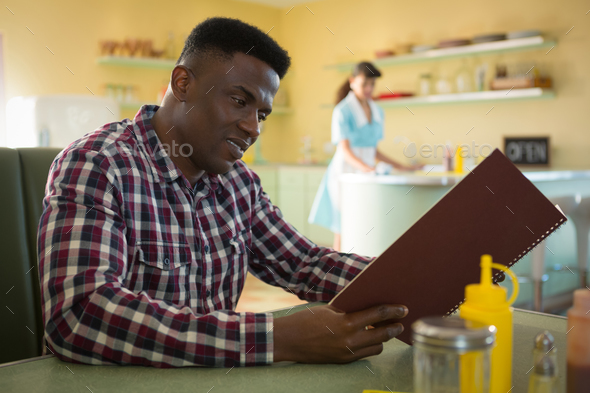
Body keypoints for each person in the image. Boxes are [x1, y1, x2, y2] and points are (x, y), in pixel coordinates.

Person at [37, 17, 408, 368]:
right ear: (182, 83)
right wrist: (274, 339)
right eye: (239, 100)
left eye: (262, 114)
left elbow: (304, 264)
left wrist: (406, 280)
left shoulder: (239, 183)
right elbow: (80, 316)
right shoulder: (99, 165)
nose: (253, 128)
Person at [308, 62, 422, 251]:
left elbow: (374, 151)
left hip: (368, 173)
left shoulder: (378, 111)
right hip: (345, 172)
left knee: (366, 223)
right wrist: (369, 169)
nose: (369, 89)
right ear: (352, 81)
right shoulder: (342, 111)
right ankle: (338, 273)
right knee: (343, 226)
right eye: (364, 84)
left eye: (372, 84)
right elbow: (344, 149)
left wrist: (403, 166)